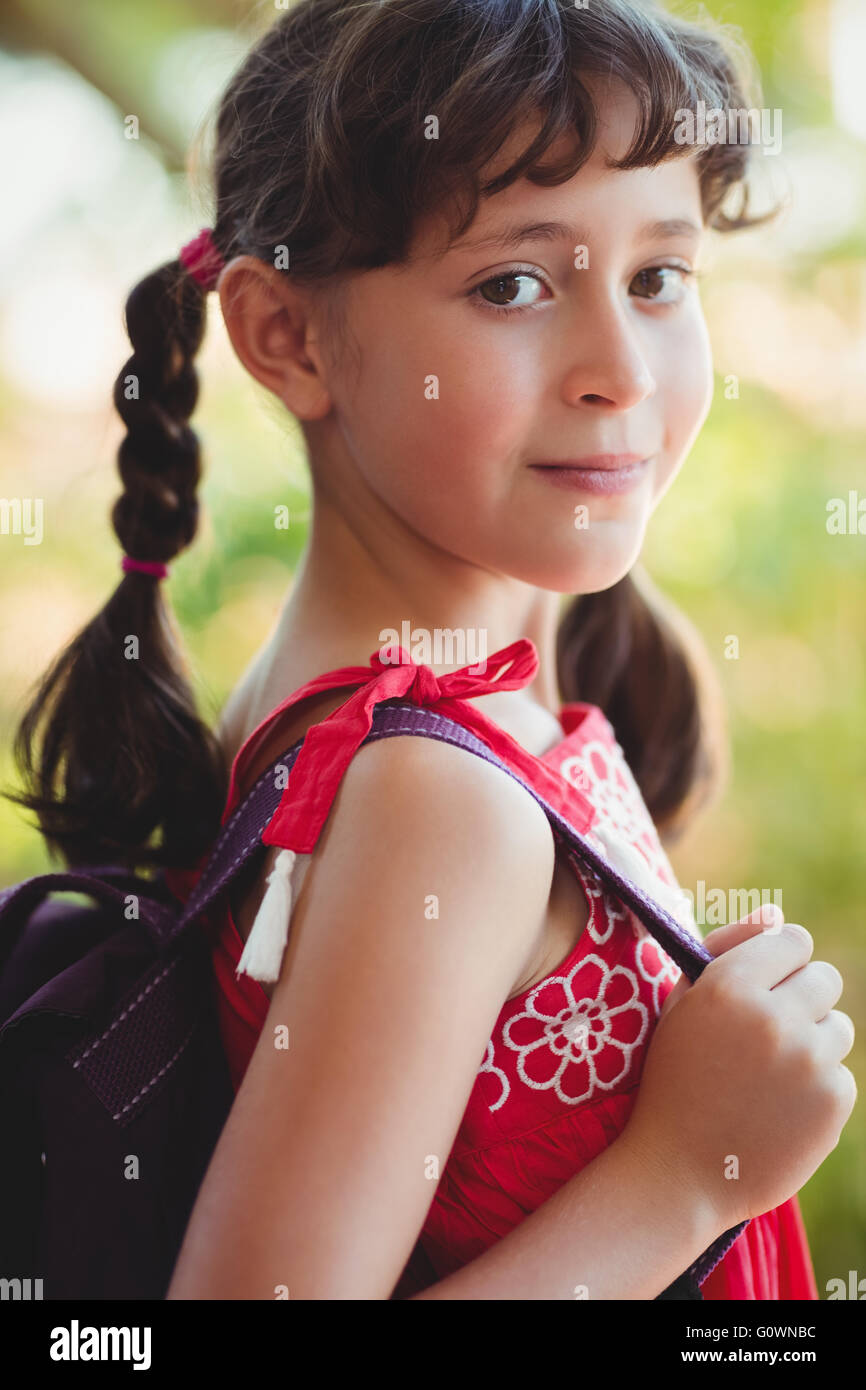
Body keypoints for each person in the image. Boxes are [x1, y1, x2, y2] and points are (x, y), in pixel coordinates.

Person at [10, 0, 855, 1300]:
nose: (616, 368)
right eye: (512, 283)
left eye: (657, 277)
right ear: (286, 336)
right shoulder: (438, 799)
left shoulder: (405, 719)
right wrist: (684, 1174)